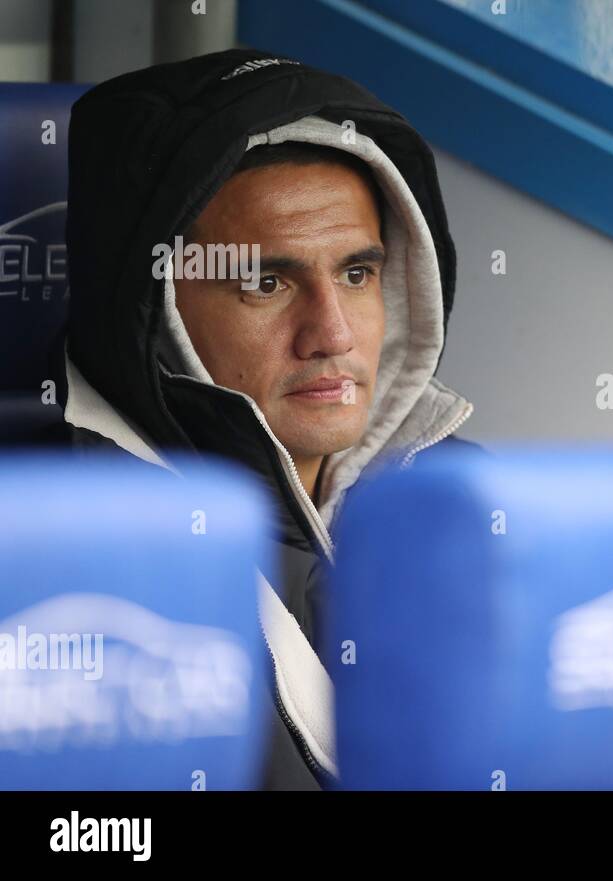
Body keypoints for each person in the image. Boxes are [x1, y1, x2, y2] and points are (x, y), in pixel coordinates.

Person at [49, 48, 478, 789]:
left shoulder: (457, 497)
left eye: (356, 273)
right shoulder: (67, 566)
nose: (333, 335)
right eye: (267, 281)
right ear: (154, 316)